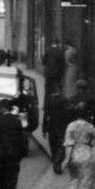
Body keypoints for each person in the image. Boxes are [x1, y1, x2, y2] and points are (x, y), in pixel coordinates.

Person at [63, 108, 95, 189]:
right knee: (87, 180)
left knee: (75, 179)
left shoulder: (71, 126)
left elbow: (68, 144)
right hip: (87, 154)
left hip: (75, 154)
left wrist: (67, 159)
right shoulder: (90, 126)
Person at [0, 103, 30, 189]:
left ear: (2, 109)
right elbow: (21, 138)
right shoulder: (16, 121)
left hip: (0, 152)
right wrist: (23, 152)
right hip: (14, 153)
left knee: (1, 173)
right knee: (13, 173)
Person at [40, 41, 67, 172]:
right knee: (59, 143)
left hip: (49, 75)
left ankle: (55, 160)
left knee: (47, 91)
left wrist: (44, 128)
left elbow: (43, 61)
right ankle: (57, 161)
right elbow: (63, 65)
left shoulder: (48, 49)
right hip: (57, 76)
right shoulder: (61, 52)